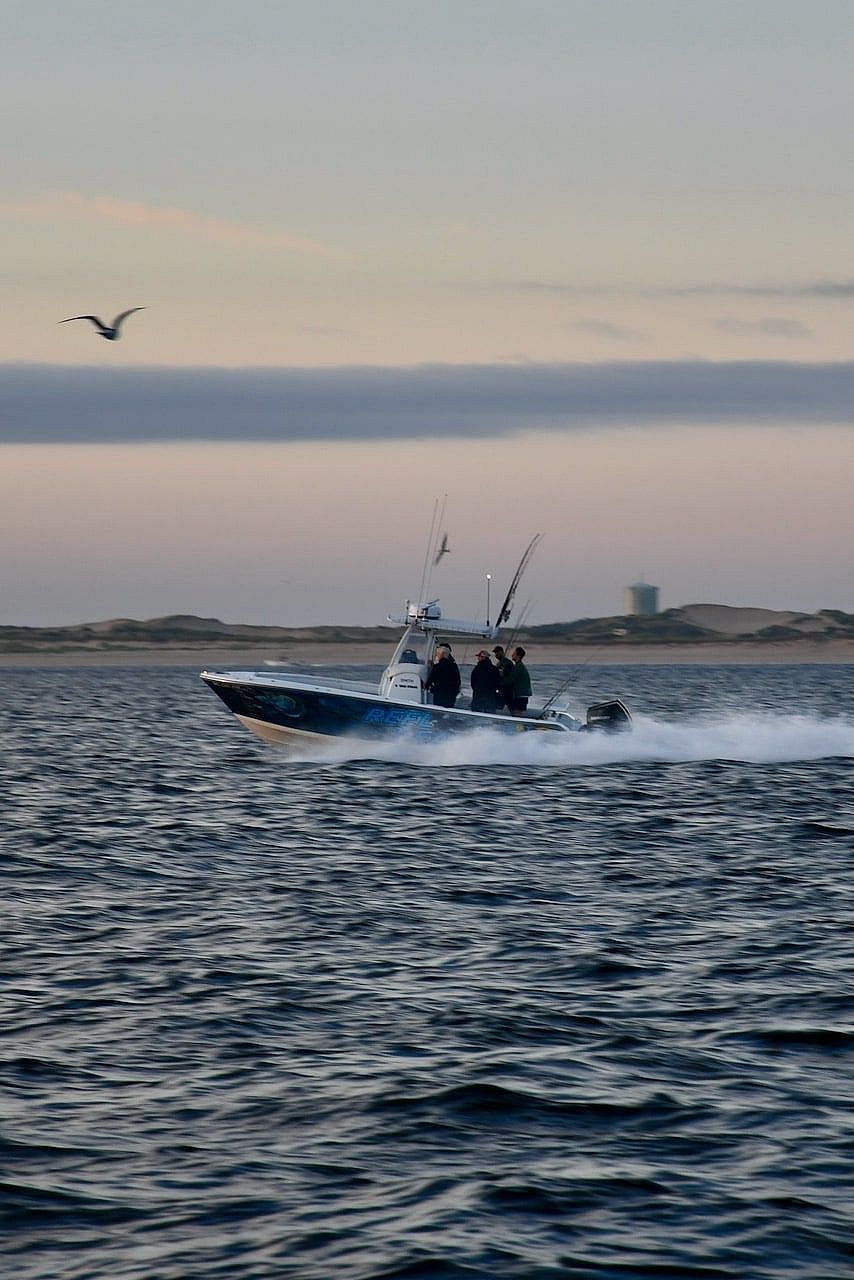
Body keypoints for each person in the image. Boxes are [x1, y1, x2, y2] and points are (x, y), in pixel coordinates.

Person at [425, 643, 461, 708]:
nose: (437, 654)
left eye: (438, 653)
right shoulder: (453, 665)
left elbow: (432, 678)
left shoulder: (438, 666)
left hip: (440, 694)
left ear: (442, 654)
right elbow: (457, 680)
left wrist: (425, 686)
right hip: (450, 694)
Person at [508, 646, 532, 715]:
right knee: (516, 712)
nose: (512, 655)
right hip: (521, 694)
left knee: (517, 713)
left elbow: (511, 680)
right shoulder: (519, 666)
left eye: (514, 654)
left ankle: (518, 725)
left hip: (520, 695)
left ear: (518, 656)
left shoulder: (519, 667)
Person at [492, 645, 515, 712]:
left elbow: (508, 677)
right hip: (499, 689)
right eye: (495, 653)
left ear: (502, 652)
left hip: (506, 690)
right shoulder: (499, 663)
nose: (496, 654)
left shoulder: (508, 663)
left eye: (497, 652)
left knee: (508, 705)